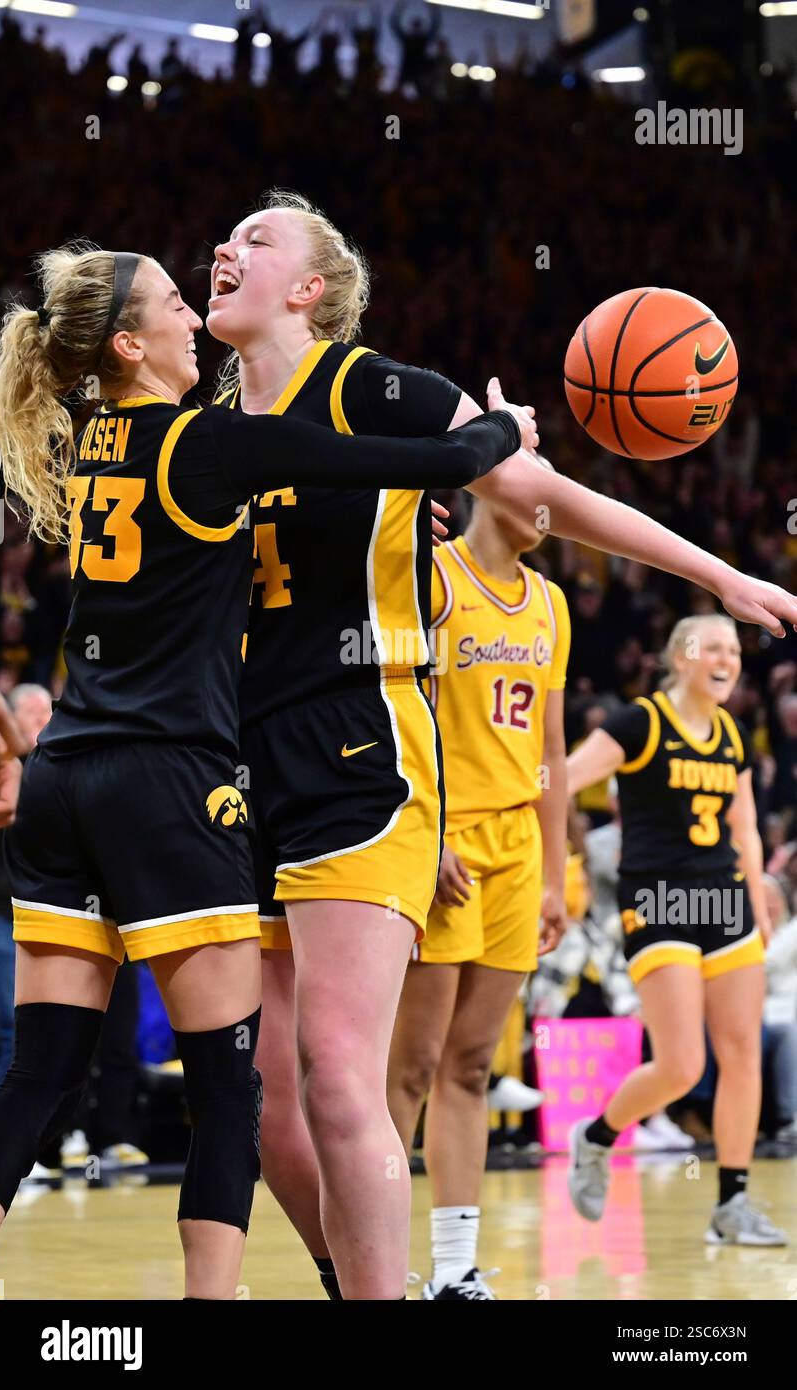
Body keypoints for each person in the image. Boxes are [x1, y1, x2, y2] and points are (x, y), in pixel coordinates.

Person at [207, 189, 797, 1300]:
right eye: (223, 238)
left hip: (357, 744)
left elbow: (547, 492)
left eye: (255, 237)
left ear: (310, 289)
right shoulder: (204, 415)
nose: (224, 249)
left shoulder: (369, 386)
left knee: (346, 1078)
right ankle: (352, 1279)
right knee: (261, 1095)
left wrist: (718, 576)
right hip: (231, 757)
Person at [0, 243, 528, 1298]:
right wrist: (505, 430)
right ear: (131, 343)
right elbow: (434, 466)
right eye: (174, 306)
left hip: (61, 779)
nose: (195, 315)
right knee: (228, 1088)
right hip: (166, 779)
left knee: (37, 1075)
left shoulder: (85, 436)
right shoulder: (214, 445)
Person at [386, 470, 569, 1300]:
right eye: (533, 490)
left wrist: (558, 875)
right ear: (485, 489)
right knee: (412, 1065)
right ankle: (380, 1263)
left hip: (519, 848)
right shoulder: (435, 579)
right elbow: (394, 708)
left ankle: (456, 1269)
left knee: (470, 1065)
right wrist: (423, 834)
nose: (545, 508)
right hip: (444, 840)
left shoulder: (552, 603)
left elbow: (554, 755)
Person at [566, 614, 788, 1245]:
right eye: (713, 648)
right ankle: (598, 1134)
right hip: (658, 902)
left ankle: (732, 1204)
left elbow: (744, 827)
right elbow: (564, 780)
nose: (728, 659)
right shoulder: (639, 722)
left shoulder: (734, 733)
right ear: (682, 657)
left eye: (734, 651)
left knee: (742, 1055)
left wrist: (757, 899)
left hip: (726, 905)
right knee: (683, 1065)